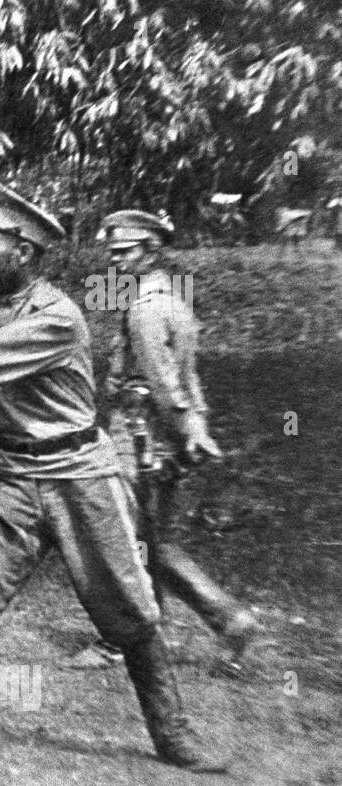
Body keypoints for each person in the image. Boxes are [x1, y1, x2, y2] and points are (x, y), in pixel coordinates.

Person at [0, 182, 228, 779]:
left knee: (131, 611)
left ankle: (173, 733)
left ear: (26, 251)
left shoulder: (59, 316)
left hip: (82, 473)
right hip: (13, 474)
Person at [62, 210, 260, 670]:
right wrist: (197, 426)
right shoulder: (174, 301)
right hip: (160, 435)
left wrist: (186, 423)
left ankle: (125, 639)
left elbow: (165, 381)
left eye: (126, 252)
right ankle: (214, 622)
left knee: (122, 537)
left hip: (139, 434)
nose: (117, 261)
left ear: (150, 251)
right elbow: (188, 380)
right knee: (151, 539)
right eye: (112, 253)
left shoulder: (146, 308)